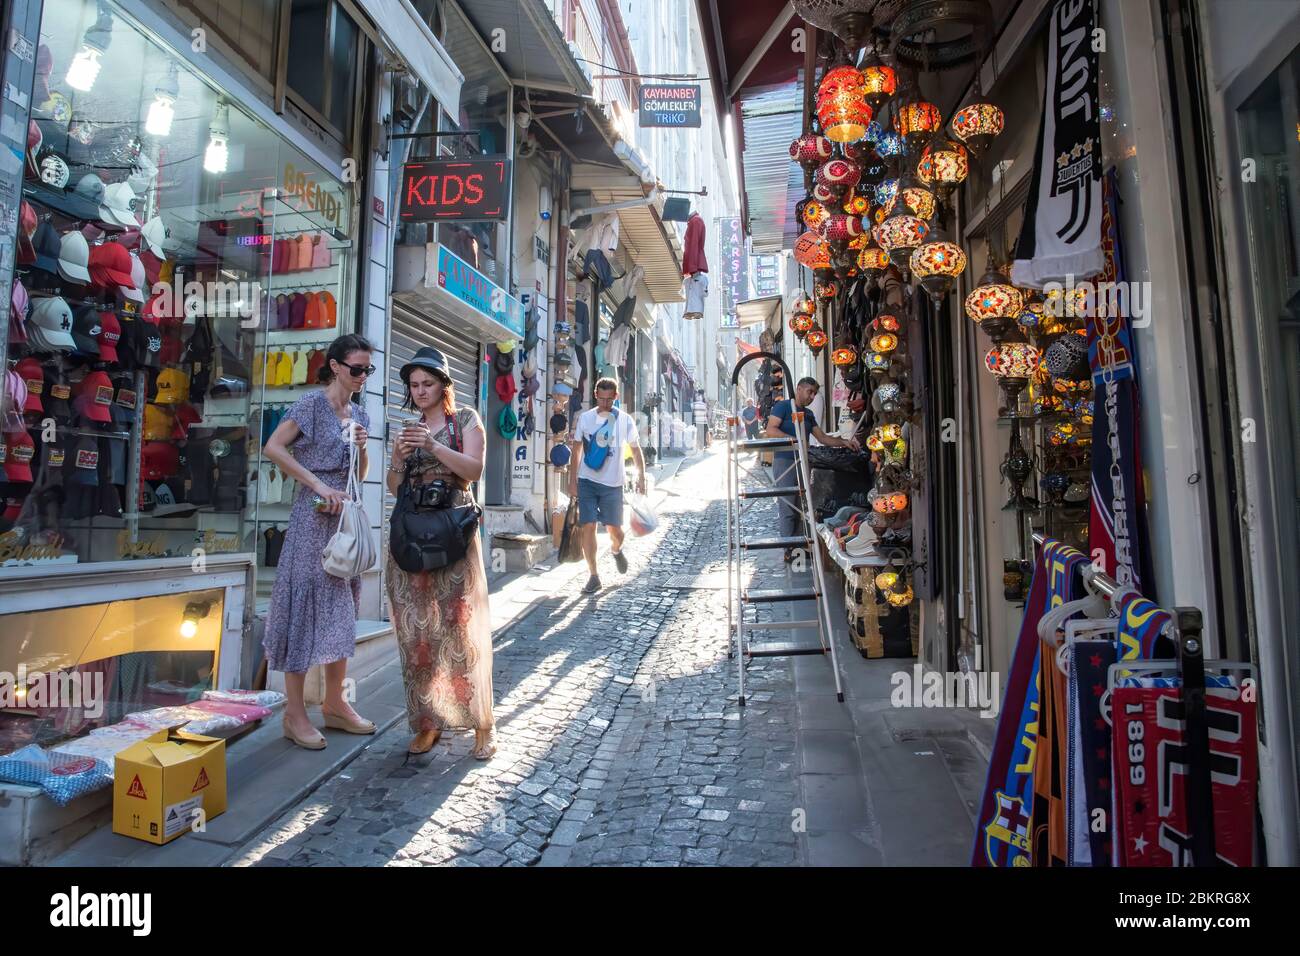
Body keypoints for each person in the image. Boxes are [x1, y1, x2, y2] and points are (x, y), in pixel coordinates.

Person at [262, 334, 375, 750]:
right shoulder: (311, 404)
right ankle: (294, 713)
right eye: (357, 368)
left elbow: (358, 475)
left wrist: (363, 450)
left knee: (341, 608)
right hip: (311, 521)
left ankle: (335, 704)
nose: (363, 375)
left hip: (343, 520)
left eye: (368, 369)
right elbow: (273, 447)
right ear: (335, 367)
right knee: (303, 607)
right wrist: (317, 486)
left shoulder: (360, 414)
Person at [385, 347, 495, 759]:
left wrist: (432, 446)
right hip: (413, 536)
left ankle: (482, 723)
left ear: (443, 385)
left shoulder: (465, 419)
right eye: (414, 385)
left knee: (463, 629)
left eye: (427, 383)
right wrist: (398, 460)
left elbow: (473, 471)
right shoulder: (408, 429)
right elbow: (396, 488)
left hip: (453, 532)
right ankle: (427, 721)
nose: (420, 391)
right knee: (417, 634)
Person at [765, 376, 861, 563]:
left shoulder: (808, 414)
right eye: (809, 392)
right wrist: (795, 441)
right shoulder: (783, 406)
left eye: (814, 394)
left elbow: (822, 438)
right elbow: (771, 430)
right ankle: (788, 549)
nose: (811, 396)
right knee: (788, 504)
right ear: (799, 389)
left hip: (803, 460)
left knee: (801, 504)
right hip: (785, 461)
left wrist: (843, 442)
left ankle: (798, 547)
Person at [569, 377, 646, 594]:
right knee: (588, 526)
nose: (604, 404)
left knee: (616, 531)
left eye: (609, 400)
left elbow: (636, 449)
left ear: (616, 397)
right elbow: (576, 449)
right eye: (601, 399)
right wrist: (572, 480)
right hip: (587, 481)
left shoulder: (625, 420)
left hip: (613, 484)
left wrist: (641, 477)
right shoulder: (585, 419)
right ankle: (593, 576)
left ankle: (616, 549)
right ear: (595, 395)